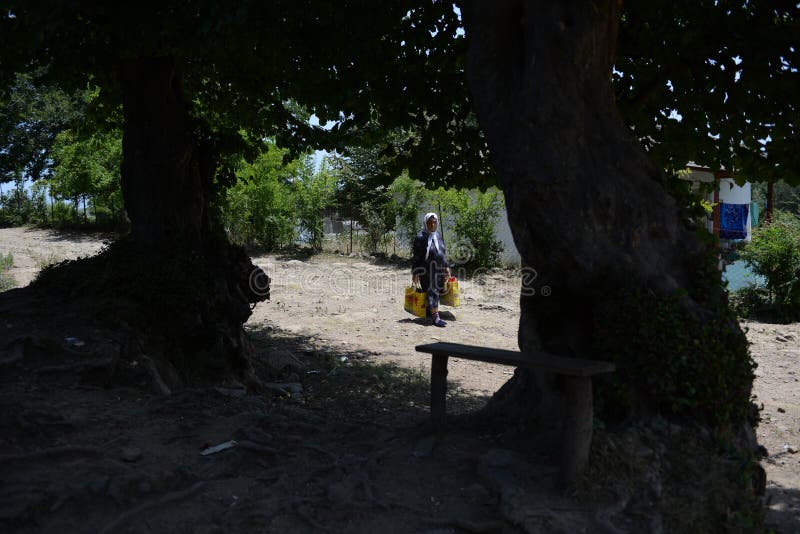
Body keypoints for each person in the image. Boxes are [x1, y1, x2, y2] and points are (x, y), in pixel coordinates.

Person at [412, 212, 451, 327]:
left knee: (437, 291)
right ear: (425, 223)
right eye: (430, 222)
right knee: (431, 291)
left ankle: (430, 311)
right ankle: (436, 317)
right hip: (426, 270)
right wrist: (415, 273)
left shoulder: (438, 235)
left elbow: (442, 252)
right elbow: (417, 256)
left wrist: (446, 267)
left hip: (439, 268)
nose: (432, 225)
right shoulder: (420, 237)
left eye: (434, 222)